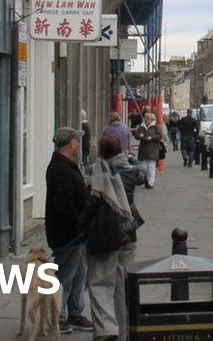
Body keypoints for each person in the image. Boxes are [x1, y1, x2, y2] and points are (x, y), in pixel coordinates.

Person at [82, 136, 146, 341]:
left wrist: (81, 227)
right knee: (122, 286)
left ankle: (106, 330)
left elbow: (90, 206)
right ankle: (124, 331)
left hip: (106, 235)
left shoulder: (98, 173)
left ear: (101, 152)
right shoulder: (130, 170)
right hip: (128, 233)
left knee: (100, 283)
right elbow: (143, 177)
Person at [45, 127, 94, 334]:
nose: (78, 143)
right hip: (68, 233)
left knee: (79, 273)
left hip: (77, 233)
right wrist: (78, 226)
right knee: (65, 274)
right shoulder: (60, 169)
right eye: (76, 140)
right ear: (70, 144)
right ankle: (59, 316)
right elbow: (64, 205)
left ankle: (75, 311)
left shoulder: (66, 165)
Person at [134, 113, 163, 188]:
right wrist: (139, 135)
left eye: (147, 118)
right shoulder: (142, 126)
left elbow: (160, 136)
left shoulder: (156, 126)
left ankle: (151, 183)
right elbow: (136, 135)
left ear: (151, 119)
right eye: (145, 117)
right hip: (143, 148)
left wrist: (152, 138)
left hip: (153, 148)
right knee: (143, 167)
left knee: (151, 166)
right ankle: (147, 178)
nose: (146, 119)